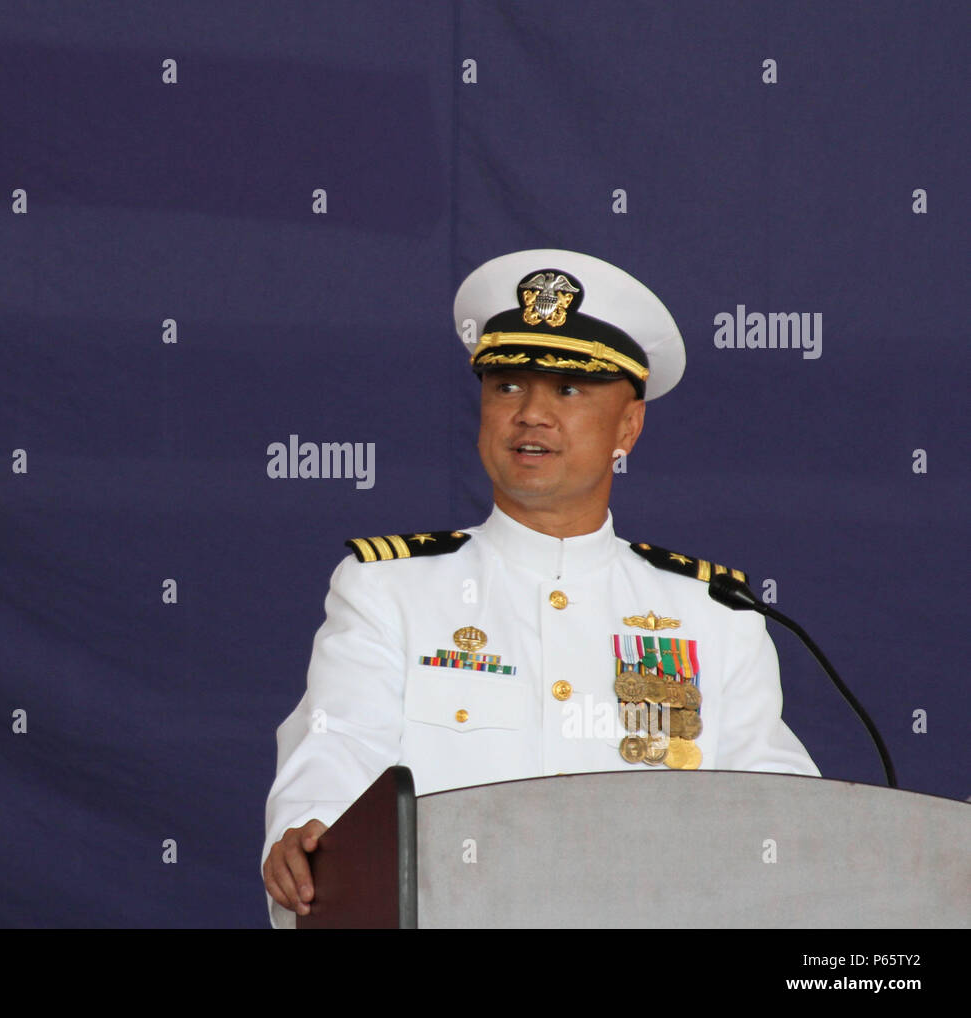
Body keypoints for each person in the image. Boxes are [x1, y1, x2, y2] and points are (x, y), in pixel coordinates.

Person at [261, 249, 819, 926]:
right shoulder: (389, 590)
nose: (532, 414)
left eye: (568, 390)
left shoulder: (713, 613)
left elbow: (785, 822)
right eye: (507, 387)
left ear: (628, 427)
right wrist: (309, 839)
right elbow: (337, 755)